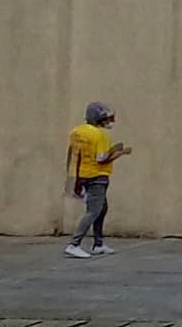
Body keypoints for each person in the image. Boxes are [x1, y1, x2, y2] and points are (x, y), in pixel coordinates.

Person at [65, 102, 132, 259]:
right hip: (97, 176)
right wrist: (120, 152)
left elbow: (77, 153)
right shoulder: (101, 135)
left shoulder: (77, 132)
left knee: (101, 208)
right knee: (93, 211)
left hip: (82, 175)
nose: (108, 122)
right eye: (105, 119)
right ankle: (74, 244)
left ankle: (98, 243)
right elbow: (101, 159)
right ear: (98, 119)